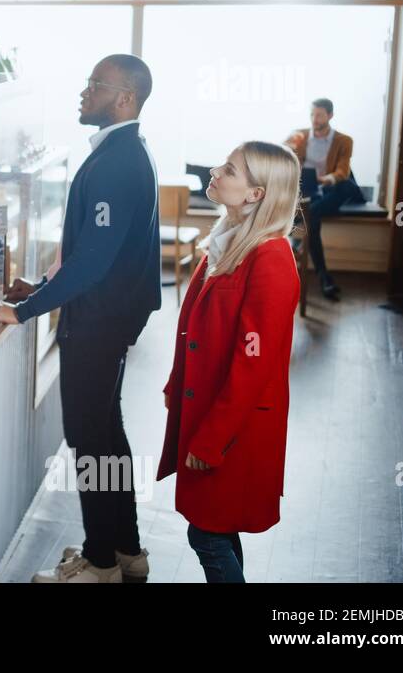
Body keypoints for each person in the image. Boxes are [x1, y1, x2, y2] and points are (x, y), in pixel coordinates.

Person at [0, 54, 161, 583]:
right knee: (107, 433)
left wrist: (23, 310)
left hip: (100, 321)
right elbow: (91, 250)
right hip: (111, 316)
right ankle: (125, 550)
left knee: (88, 438)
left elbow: (93, 260)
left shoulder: (116, 162)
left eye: (96, 85)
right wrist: (42, 288)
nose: (84, 93)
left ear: (124, 98)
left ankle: (100, 562)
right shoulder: (126, 152)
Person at [157, 141, 301, 583]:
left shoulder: (271, 258)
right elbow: (195, 330)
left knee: (207, 534)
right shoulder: (231, 240)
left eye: (230, 170)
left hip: (236, 427)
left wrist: (212, 438)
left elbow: (252, 362)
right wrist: (175, 386)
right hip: (210, 411)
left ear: (256, 194)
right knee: (217, 526)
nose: (216, 172)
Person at [284, 98, 364, 299]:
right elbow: (280, 154)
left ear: (330, 116)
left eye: (319, 115)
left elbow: (342, 171)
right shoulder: (300, 135)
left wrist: (325, 180)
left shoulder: (344, 141)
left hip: (332, 190)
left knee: (346, 186)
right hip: (311, 193)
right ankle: (325, 279)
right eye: (312, 114)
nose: (314, 119)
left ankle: (298, 233)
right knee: (314, 218)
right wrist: (291, 155)